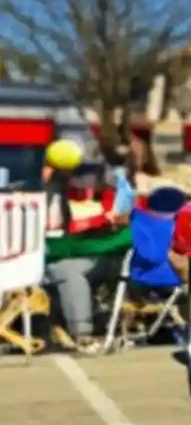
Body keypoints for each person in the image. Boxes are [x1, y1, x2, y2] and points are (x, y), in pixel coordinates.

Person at [41, 139, 131, 353]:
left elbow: (125, 228)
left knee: (68, 269)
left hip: (101, 256)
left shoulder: (109, 194)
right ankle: (77, 331)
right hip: (47, 257)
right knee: (66, 269)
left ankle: (85, 332)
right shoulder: (40, 194)